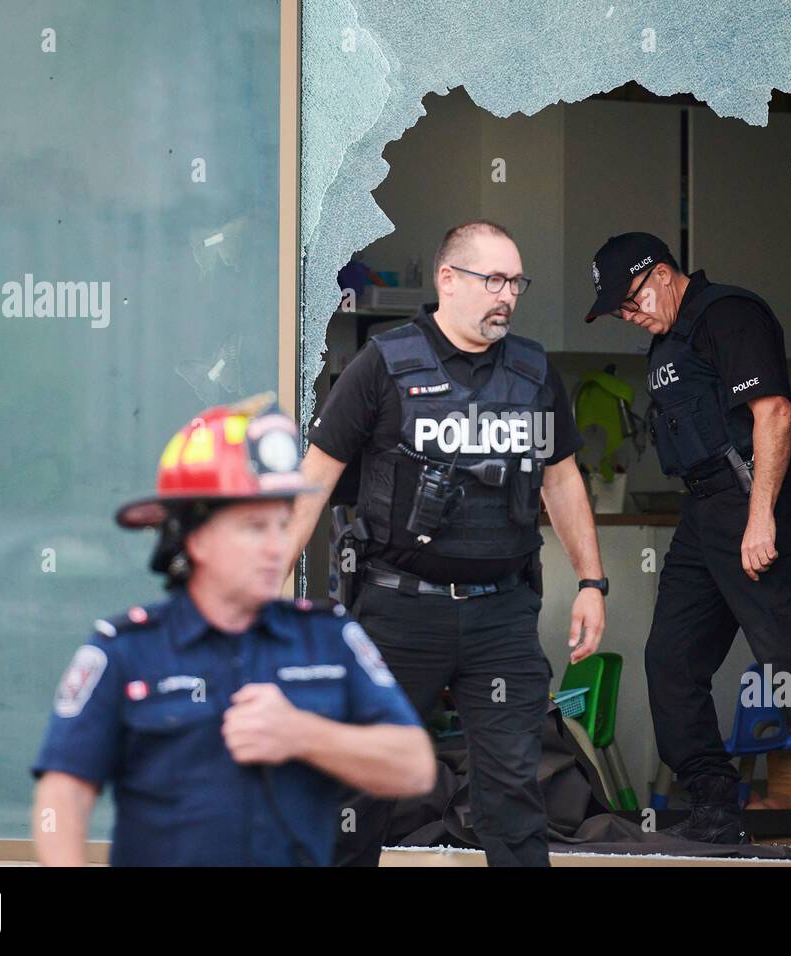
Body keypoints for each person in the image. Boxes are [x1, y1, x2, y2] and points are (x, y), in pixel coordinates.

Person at [284, 220, 607, 866]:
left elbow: (561, 479)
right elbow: (315, 477)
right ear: (448, 281)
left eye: (516, 282)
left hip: (502, 616)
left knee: (514, 794)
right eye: (494, 280)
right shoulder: (385, 363)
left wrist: (592, 582)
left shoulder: (533, 371)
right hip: (399, 612)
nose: (507, 296)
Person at [30, 395, 436, 866]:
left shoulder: (329, 639)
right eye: (253, 527)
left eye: (281, 525)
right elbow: (62, 798)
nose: (275, 546)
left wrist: (301, 734)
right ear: (196, 539)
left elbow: (413, 767)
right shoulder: (125, 652)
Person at [583, 232, 791, 853]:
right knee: (671, 657)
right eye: (620, 310)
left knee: (783, 652)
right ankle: (714, 806)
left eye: (633, 299)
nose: (631, 315)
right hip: (703, 510)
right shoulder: (667, 338)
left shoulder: (728, 314)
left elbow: (772, 414)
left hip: (752, 496)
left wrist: (760, 517)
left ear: (663, 275)